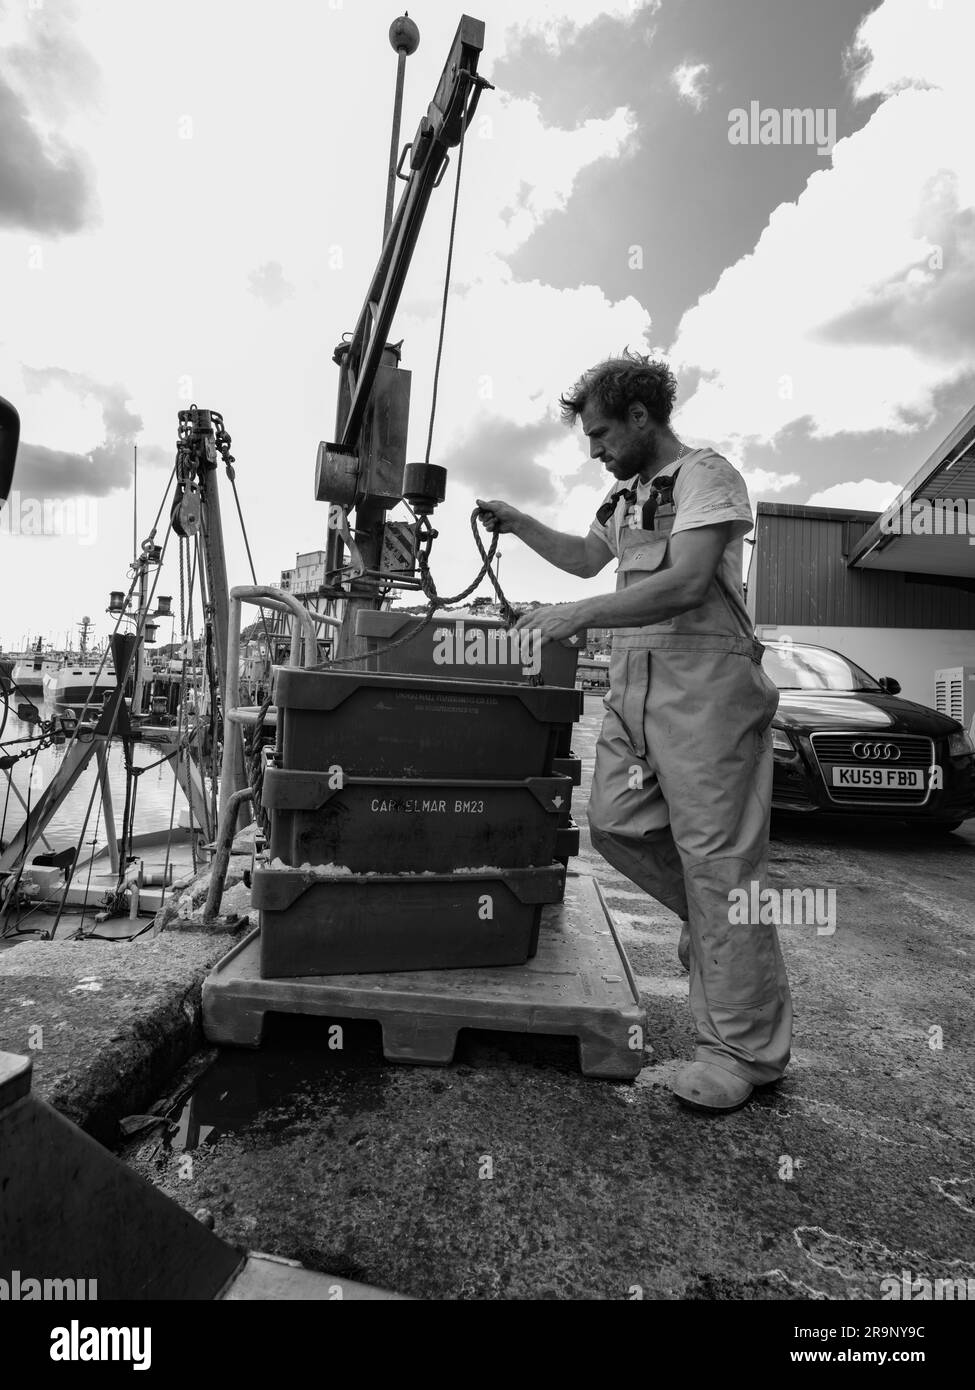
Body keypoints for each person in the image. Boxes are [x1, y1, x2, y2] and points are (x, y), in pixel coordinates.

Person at [476, 352, 792, 1113]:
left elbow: (685, 582)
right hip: (635, 687)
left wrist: (576, 618)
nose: (593, 449)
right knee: (613, 824)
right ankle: (716, 929)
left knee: (720, 864)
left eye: (600, 433)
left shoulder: (706, 478)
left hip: (707, 689)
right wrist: (519, 526)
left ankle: (743, 1053)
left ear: (642, 417)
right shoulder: (623, 497)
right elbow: (587, 560)